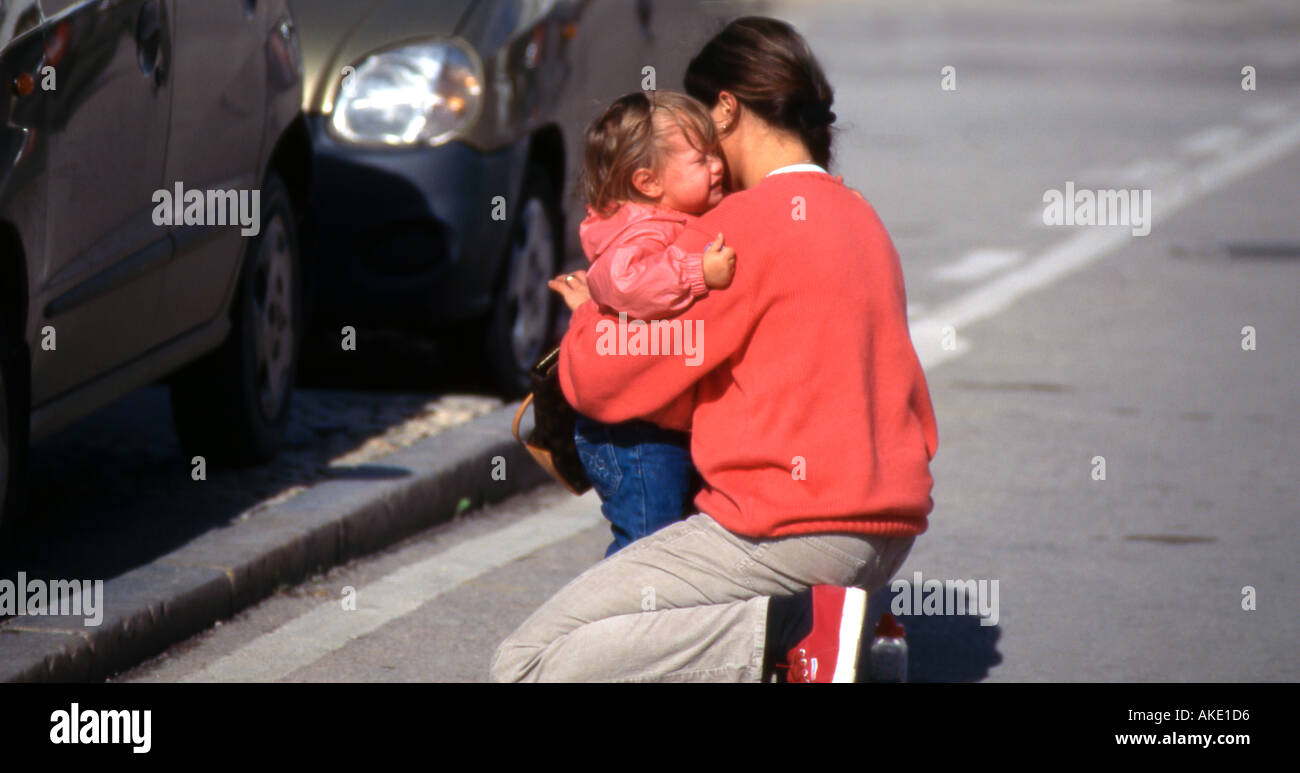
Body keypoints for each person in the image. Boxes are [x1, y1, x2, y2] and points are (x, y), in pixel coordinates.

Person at [491, 16, 938, 683]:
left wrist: (586, 316)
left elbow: (603, 379)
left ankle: (800, 636)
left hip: (785, 529)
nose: (708, 158)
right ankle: (851, 629)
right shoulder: (862, 218)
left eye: (703, 125)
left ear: (726, 108)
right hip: (887, 531)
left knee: (523, 663)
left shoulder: (737, 231)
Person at [560, 90, 736, 557]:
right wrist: (697, 272)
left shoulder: (676, 217)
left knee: (667, 544)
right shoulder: (642, 229)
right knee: (646, 548)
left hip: (655, 422)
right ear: (649, 182)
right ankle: (611, 607)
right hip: (634, 434)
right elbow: (624, 283)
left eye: (716, 153)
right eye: (701, 159)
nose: (718, 165)